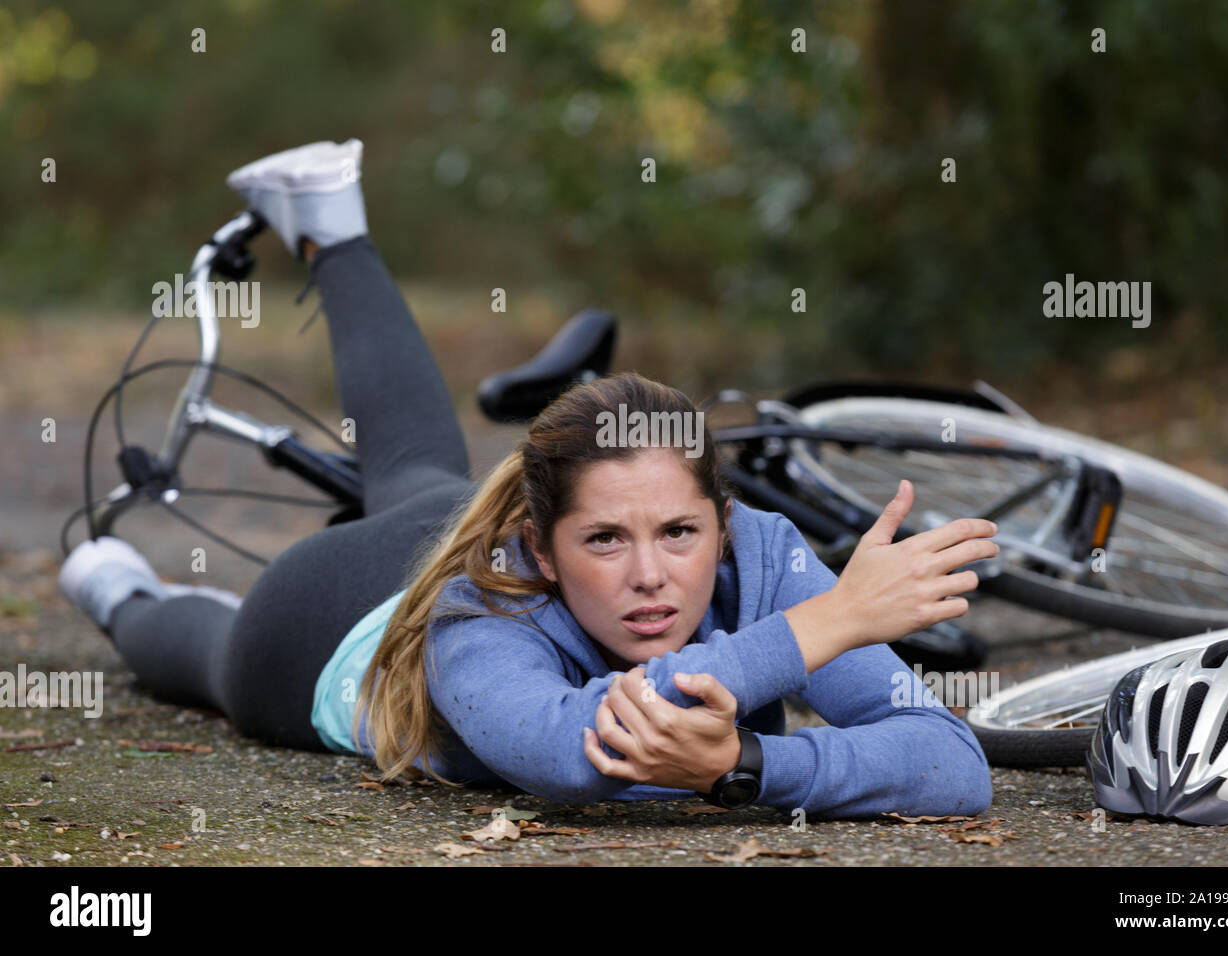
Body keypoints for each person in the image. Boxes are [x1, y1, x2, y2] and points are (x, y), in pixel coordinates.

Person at [59, 140, 996, 819]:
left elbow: (954, 765)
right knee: (209, 657)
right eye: (604, 539)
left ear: (721, 520)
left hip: (467, 530)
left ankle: (332, 222)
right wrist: (829, 623)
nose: (651, 577)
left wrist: (745, 763)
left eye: (679, 533)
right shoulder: (479, 615)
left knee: (417, 469)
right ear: (541, 549)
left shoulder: (762, 554)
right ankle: (114, 582)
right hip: (325, 632)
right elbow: (570, 752)